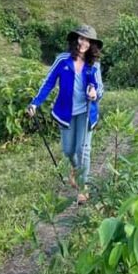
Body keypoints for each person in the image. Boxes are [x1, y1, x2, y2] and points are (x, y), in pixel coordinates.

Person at [26, 24, 104, 204]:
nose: (83, 43)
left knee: (83, 150)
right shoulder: (62, 60)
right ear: (76, 39)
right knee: (69, 150)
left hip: (86, 111)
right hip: (65, 111)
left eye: (88, 40)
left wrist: (95, 93)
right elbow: (49, 82)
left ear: (92, 44)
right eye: (81, 38)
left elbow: (99, 88)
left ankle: (83, 189)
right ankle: (76, 169)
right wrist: (35, 103)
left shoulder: (94, 65)